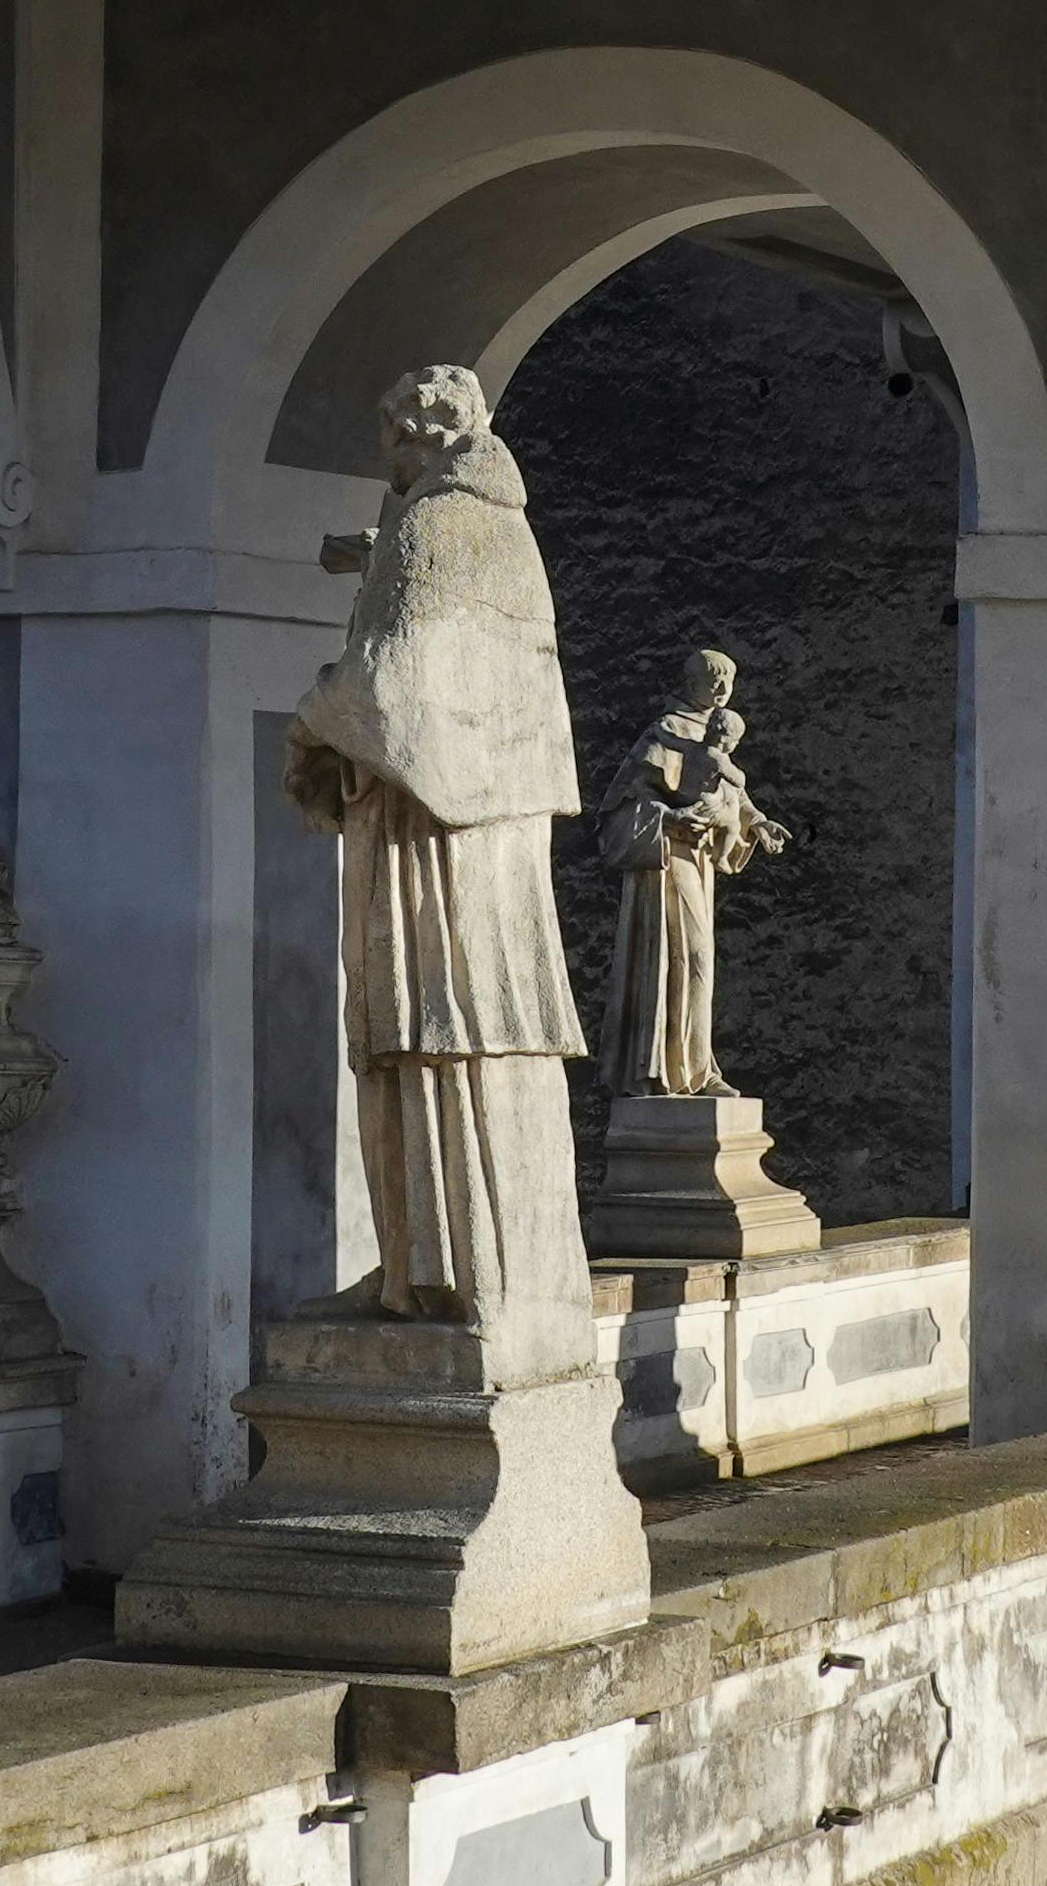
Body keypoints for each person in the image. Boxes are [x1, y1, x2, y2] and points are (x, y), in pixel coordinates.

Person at [282, 364, 594, 1376]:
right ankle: (470, 1272)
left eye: (391, 448)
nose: (388, 468)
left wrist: (311, 715)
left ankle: (435, 1279)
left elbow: (393, 684)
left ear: (414, 440)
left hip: (428, 844)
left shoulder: (434, 530)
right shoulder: (500, 533)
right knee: (478, 1037)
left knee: (424, 1035)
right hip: (492, 850)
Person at [595, 650, 789, 1103]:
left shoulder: (720, 737)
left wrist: (758, 823)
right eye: (711, 680)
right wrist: (669, 819)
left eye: (728, 681)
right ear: (689, 683)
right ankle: (664, 1072)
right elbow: (622, 809)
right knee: (681, 956)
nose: (721, 690)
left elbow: (734, 797)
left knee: (698, 960)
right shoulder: (663, 734)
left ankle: (696, 1071)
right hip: (665, 860)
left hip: (699, 862)